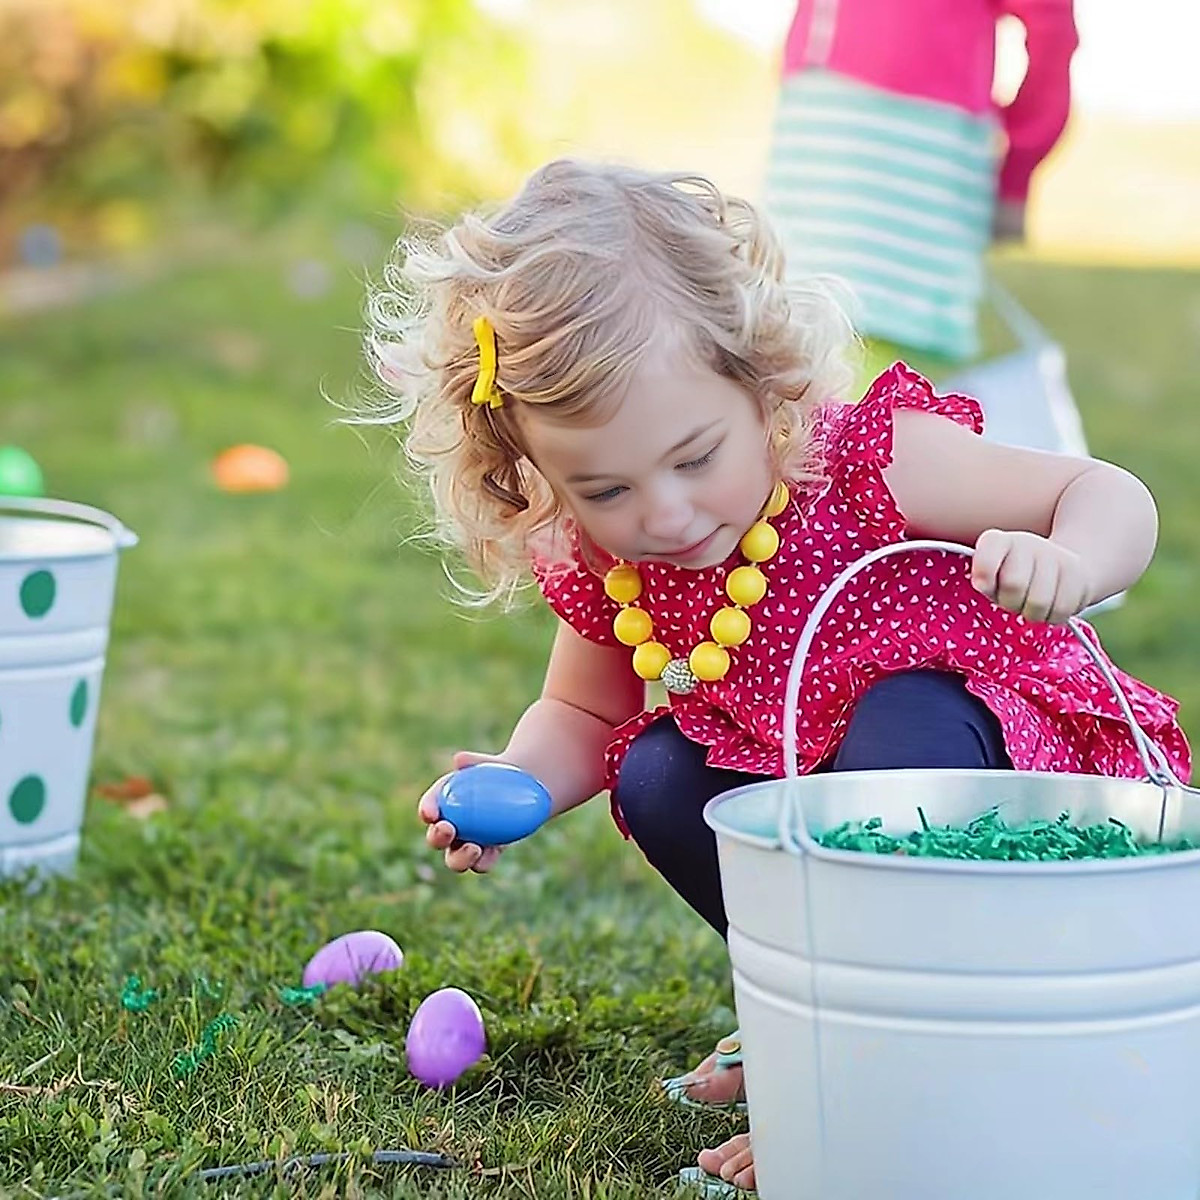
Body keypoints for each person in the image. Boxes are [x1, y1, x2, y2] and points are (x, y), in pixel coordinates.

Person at [362, 159, 1189, 1196]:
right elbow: (583, 710)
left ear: (763, 389)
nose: (663, 514)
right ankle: (819, 1014)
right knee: (660, 772)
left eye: (695, 456)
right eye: (606, 486)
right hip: (816, 796)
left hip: (982, 783)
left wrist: (1070, 561)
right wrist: (525, 781)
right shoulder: (615, 557)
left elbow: (1107, 494)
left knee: (898, 732)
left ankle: (876, 1068)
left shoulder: (867, 463)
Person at [762, 0, 1079, 380]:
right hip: (813, 113)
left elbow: (1052, 26)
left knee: (886, 359)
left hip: (914, 138)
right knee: (794, 337)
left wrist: (1018, 167)